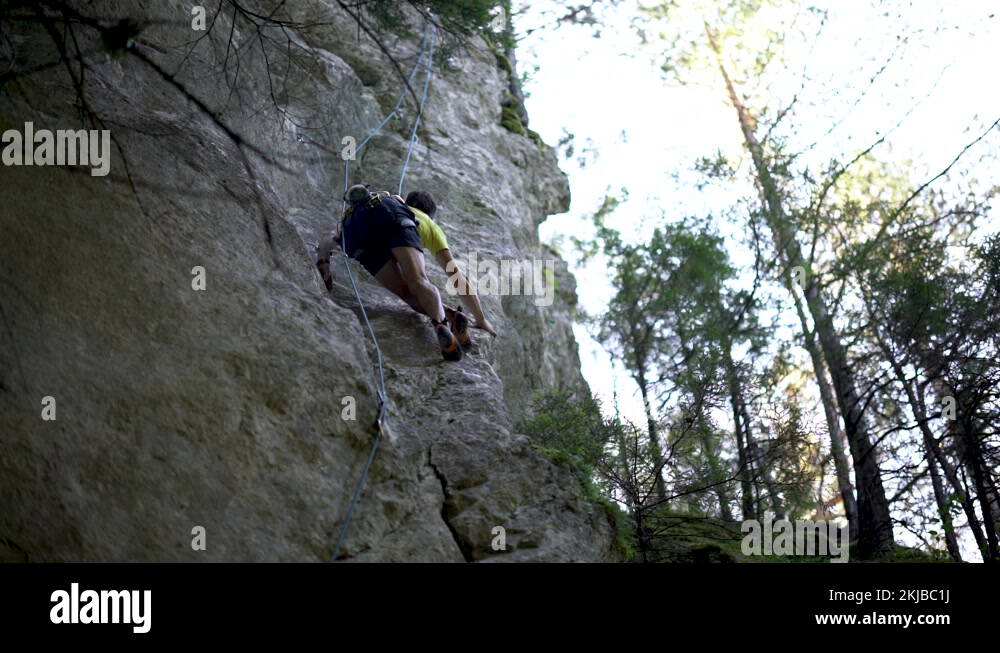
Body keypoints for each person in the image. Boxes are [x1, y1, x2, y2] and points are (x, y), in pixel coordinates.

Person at [315, 184, 463, 361]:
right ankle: (441, 323)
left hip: (355, 234)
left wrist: (323, 264)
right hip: (391, 218)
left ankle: (445, 313)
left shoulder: (348, 218)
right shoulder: (392, 200)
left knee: (407, 293)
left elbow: (326, 242)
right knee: (418, 281)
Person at [399, 190, 498, 339]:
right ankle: (443, 324)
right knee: (417, 284)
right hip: (405, 232)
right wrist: (481, 319)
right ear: (430, 215)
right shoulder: (429, 225)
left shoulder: (396, 205)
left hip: (370, 237)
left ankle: (450, 315)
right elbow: (455, 275)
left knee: (403, 287)